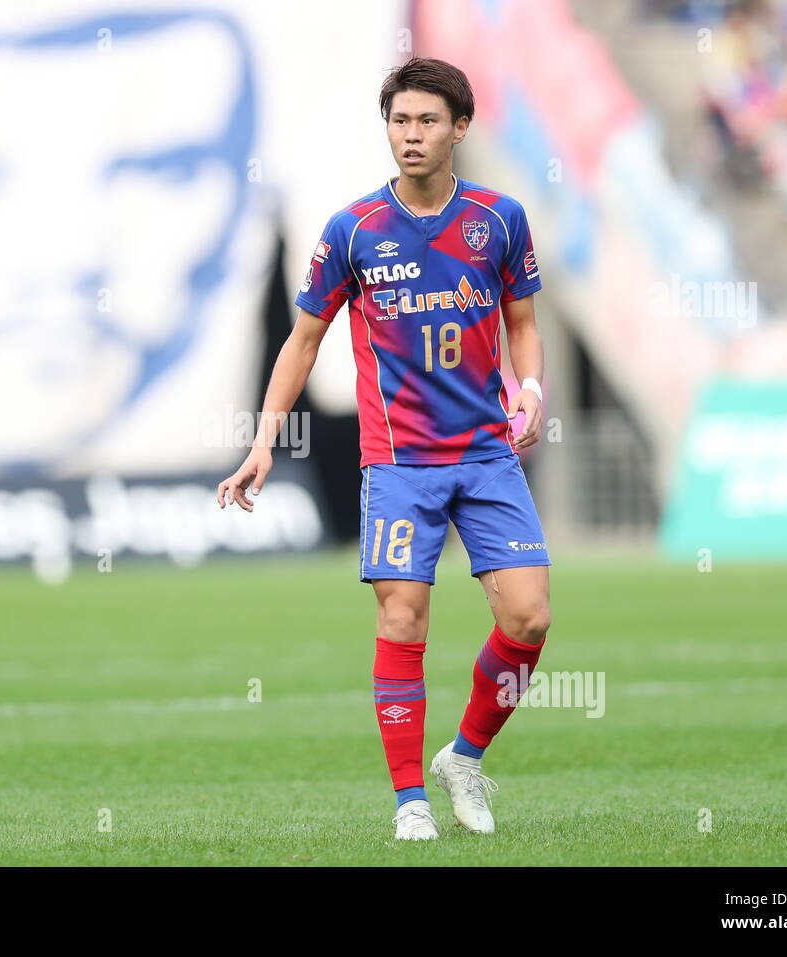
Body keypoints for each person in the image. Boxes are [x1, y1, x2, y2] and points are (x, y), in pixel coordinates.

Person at [217, 57, 552, 840]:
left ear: (459, 128)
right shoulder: (353, 231)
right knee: (403, 619)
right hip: (398, 464)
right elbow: (303, 342)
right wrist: (265, 439)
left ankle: (464, 755)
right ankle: (410, 800)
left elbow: (526, 324)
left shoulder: (499, 220)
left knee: (530, 618)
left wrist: (530, 392)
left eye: (427, 120)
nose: (411, 134)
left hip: (486, 455)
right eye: (400, 120)